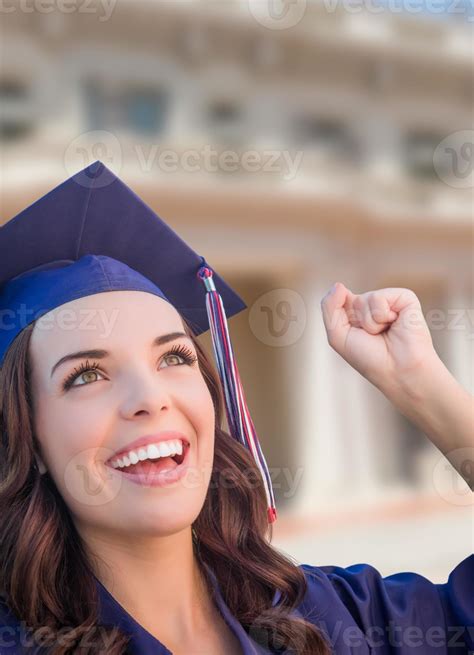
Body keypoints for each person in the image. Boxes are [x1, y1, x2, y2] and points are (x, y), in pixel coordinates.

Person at [0, 162, 472, 655]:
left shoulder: (330, 617)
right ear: (27, 437)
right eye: (87, 375)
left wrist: (421, 384)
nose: (150, 398)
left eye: (173, 357)